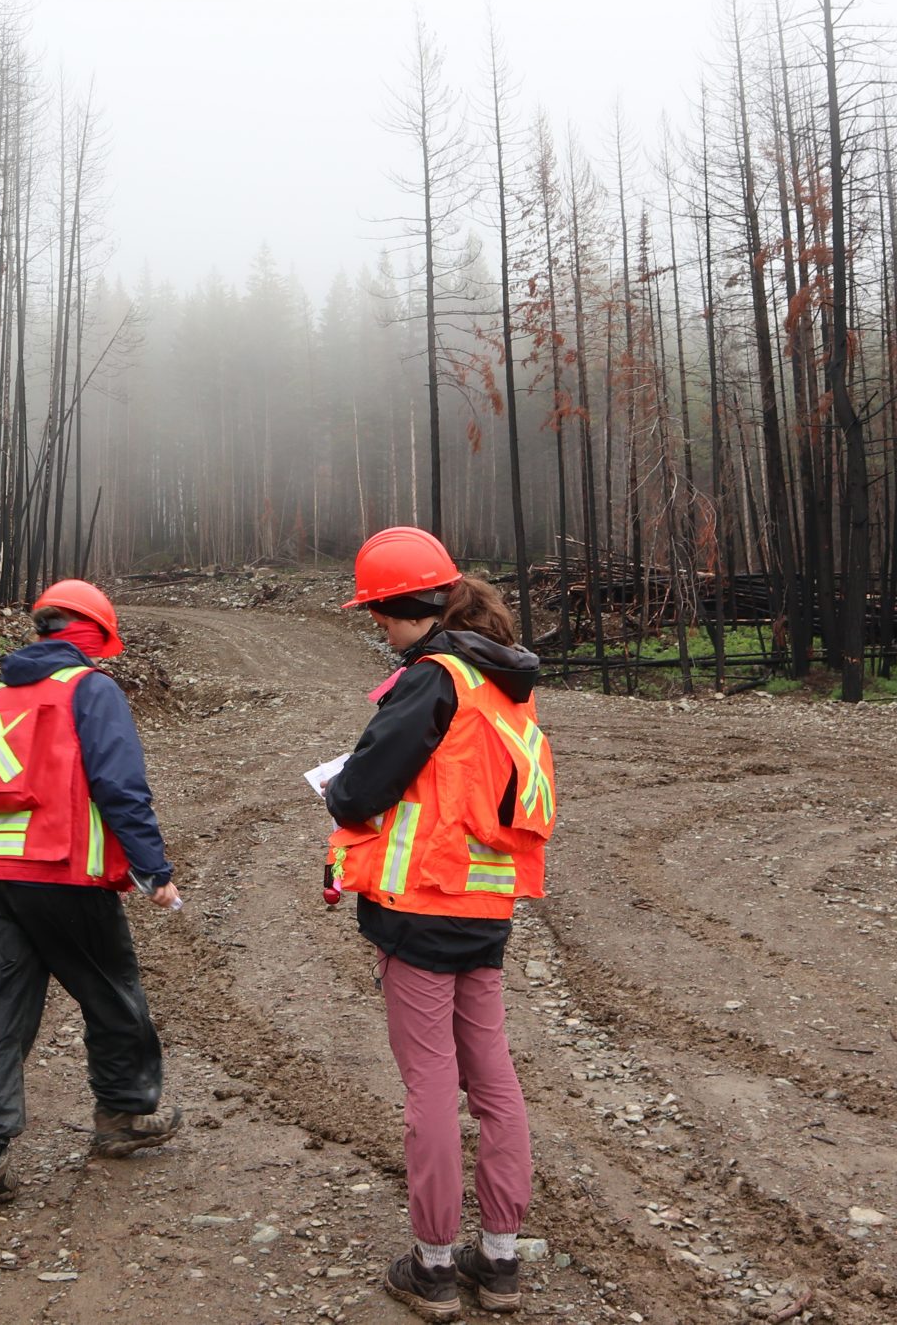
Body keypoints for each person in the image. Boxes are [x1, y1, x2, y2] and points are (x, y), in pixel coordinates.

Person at [325, 527, 555, 1320]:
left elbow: (359, 792)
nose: (377, 629)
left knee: (429, 1084)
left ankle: (430, 1267)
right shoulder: (504, 682)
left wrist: (335, 793)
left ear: (409, 606)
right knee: (494, 1080)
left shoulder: (431, 679)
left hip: (419, 911)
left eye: (378, 615)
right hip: (486, 911)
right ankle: (499, 1260)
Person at [0, 577, 184, 1211]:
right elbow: (120, 784)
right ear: (92, 637)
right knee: (111, 994)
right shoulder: (90, 688)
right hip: (63, 875)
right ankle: (124, 1115)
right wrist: (154, 871)